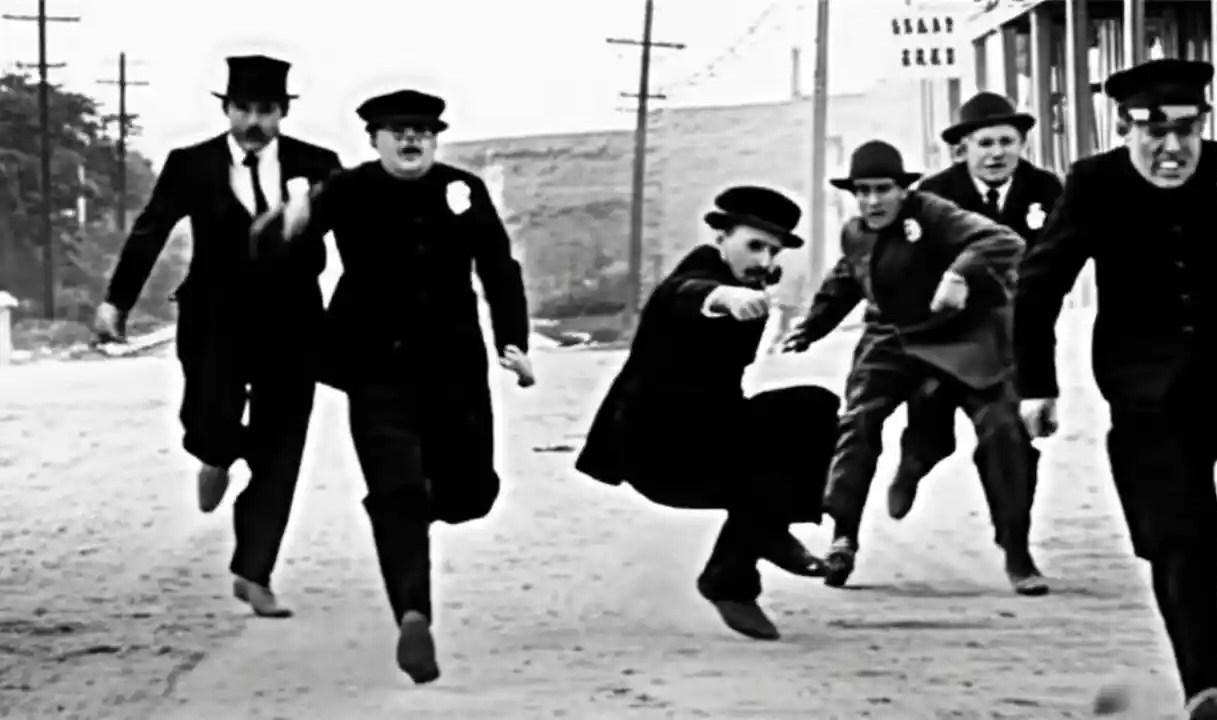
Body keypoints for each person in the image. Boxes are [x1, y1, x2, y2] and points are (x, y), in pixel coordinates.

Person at [1014, 58, 1217, 720]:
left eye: (1187, 131)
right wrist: (1037, 385)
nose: (1172, 149)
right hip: (1147, 388)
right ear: (1125, 127)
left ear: (1204, 124)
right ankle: (1204, 687)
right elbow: (1041, 281)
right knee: (1184, 535)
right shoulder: (1094, 183)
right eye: (1153, 132)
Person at [269, 89, 535, 683]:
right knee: (399, 495)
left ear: (435, 139)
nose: (411, 140)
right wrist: (290, 227)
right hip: (375, 366)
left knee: (472, 495)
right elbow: (290, 253)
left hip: (455, 368)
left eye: (422, 130)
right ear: (374, 139)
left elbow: (498, 266)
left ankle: (412, 509)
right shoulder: (346, 189)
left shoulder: (463, 189)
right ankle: (413, 616)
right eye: (397, 131)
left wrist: (512, 340)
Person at [92, 55, 342, 618]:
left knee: (281, 450)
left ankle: (254, 572)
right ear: (227, 109)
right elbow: (151, 229)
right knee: (211, 417)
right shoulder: (191, 164)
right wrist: (116, 302)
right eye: (244, 109)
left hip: (293, 322)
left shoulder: (319, 164)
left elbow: (353, 236)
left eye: (267, 111)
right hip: (215, 320)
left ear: (282, 112)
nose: (255, 122)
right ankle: (214, 453)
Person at [575, 186, 840, 642]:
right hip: (659, 450)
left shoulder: (755, 293)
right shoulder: (696, 277)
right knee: (768, 469)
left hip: (711, 436)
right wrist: (726, 298)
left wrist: (749, 299)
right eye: (753, 245)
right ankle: (741, 569)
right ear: (721, 237)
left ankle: (757, 545)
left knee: (815, 408)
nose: (762, 258)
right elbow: (687, 294)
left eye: (772, 250)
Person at [783, 140, 1047, 595]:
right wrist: (811, 328)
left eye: (882, 189)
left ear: (902, 190)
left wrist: (958, 273)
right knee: (858, 422)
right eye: (862, 191)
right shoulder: (855, 232)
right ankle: (842, 536)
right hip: (893, 339)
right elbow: (846, 280)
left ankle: (1016, 550)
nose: (872, 201)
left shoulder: (934, 214)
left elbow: (1004, 240)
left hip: (962, 335)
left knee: (1004, 429)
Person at [883, 92, 1062, 584]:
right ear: (962, 150)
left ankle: (1016, 549)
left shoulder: (1046, 191)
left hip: (1009, 340)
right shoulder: (930, 200)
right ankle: (913, 465)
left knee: (1009, 437)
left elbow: (1057, 263)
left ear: (1022, 144)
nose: (997, 153)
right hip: (942, 335)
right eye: (985, 143)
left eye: (1008, 141)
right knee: (932, 432)